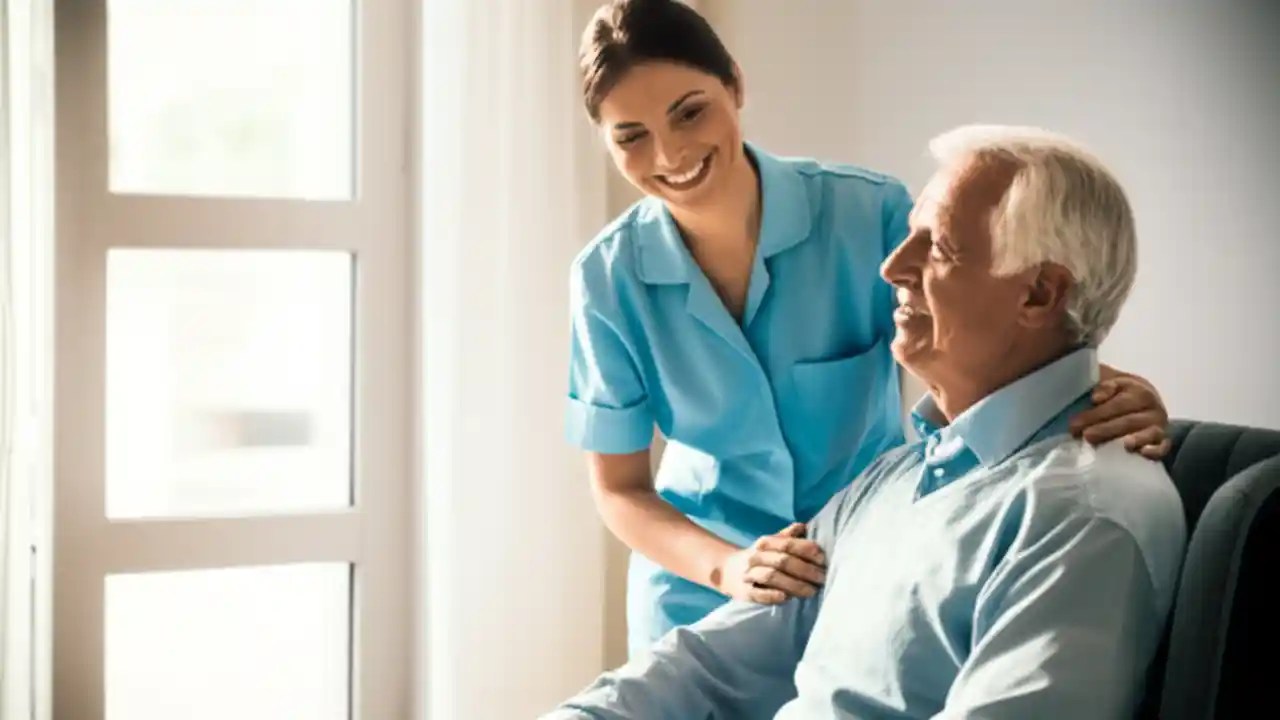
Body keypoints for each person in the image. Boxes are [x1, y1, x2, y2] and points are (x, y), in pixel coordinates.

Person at [568, 0, 1171, 657]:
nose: (671, 152)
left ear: (735, 86)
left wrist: (1106, 388)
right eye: (632, 135)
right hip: (695, 592)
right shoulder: (607, 279)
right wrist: (729, 569)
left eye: (690, 111)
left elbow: (982, 327)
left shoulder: (867, 212)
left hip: (861, 567)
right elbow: (620, 488)